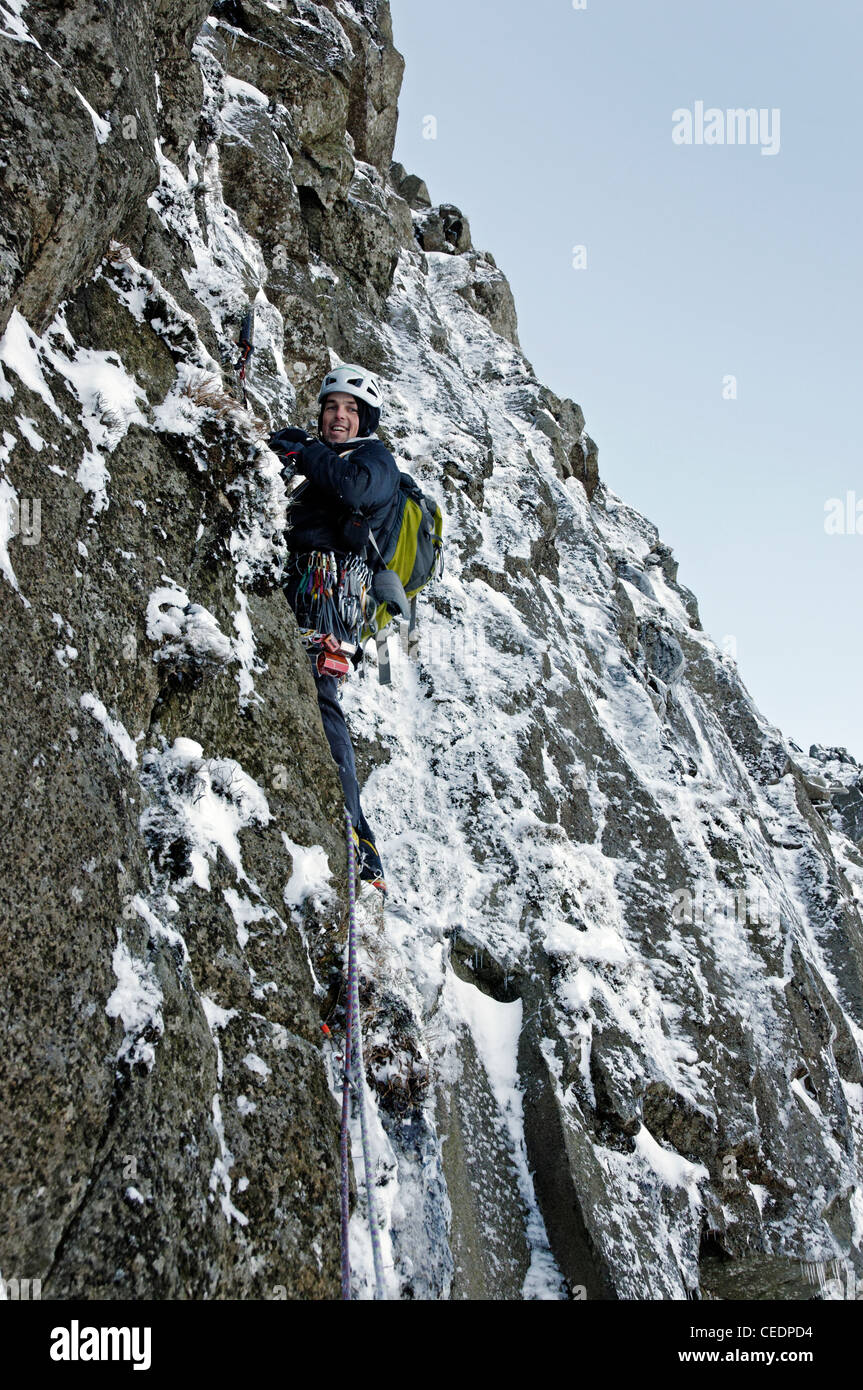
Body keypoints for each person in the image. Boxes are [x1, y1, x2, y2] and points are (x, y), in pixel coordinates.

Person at [269, 364, 400, 893]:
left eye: (350, 409)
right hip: (305, 583)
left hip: (330, 592)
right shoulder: (321, 459)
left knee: (322, 699)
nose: (338, 416)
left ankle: (358, 837)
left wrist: (305, 452)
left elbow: (355, 489)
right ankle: (355, 834)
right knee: (313, 696)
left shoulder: (374, 460)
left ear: (364, 418)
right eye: (331, 408)